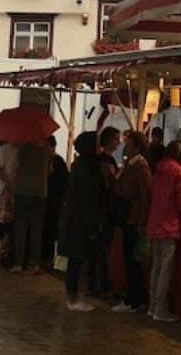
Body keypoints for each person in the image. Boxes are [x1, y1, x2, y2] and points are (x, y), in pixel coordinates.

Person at [61, 131, 107, 312]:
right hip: (80, 220)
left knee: (77, 259)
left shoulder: (83, 165)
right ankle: (72, 298)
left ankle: (73, 296)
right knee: (77, 259)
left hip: (78, 219)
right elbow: (88, 197)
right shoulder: (86, 168)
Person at [147, 140, 181, 323]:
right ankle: (160, 309)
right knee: (165, 268)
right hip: (168, 223)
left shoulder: (158, 168)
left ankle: (152, 306)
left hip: (154, 221)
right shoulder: (178, 171)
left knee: (156, 266)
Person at [113, 131, 152, 313]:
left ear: (136, 146)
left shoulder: (140, 167)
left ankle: (135, 300)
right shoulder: (131, 164)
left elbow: (143, 196)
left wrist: (142, 222)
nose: (124, 146)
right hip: (129, 217)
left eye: (128, 143)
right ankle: (134, 297)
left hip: (134, 218)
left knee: (133, 260)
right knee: (129, 259)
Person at [10, 139, 50, 274]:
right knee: (37, 230)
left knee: (20, 228)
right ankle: (35, 264)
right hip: (40, 192)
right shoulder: (46, 148)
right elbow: (50, 170)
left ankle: (18, 263)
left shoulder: (23, 147)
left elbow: (16, 167)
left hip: (23, 191)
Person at [89, 126, 120, 297]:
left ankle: (97, 283)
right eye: (116, 139)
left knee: (100, 249)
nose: (118, 142)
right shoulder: (105, 161)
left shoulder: (105, 160)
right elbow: (109, 184)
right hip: (104, 210)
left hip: (102, 210)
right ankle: (100, 285)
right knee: (101, 249)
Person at [42, 135, 69, 268]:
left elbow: (63, 183)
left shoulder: (58, 161)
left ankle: (48, 258)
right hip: (43, 199)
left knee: (51, 229)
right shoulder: (42, 161)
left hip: (54, 201)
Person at [0, 139, 18, 266]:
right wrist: (8, 183)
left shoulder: (21, 151)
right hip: (3, 194)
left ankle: (4, 255)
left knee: (10, 228)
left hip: (16, 195)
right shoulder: (3, 150)